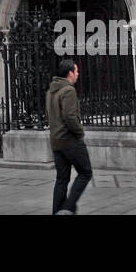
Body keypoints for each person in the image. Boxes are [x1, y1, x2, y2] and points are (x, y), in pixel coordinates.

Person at [47, 58, 92, 215]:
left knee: (62, 179)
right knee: (86, 172)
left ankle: (57, 211)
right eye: (77, 71)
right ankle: (67, 208)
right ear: (70, 73)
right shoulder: (68, 90)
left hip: (56, 141)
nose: (78, 74)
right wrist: (80, 132)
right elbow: (70, 116)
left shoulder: (51, 91)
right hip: (70, 140)